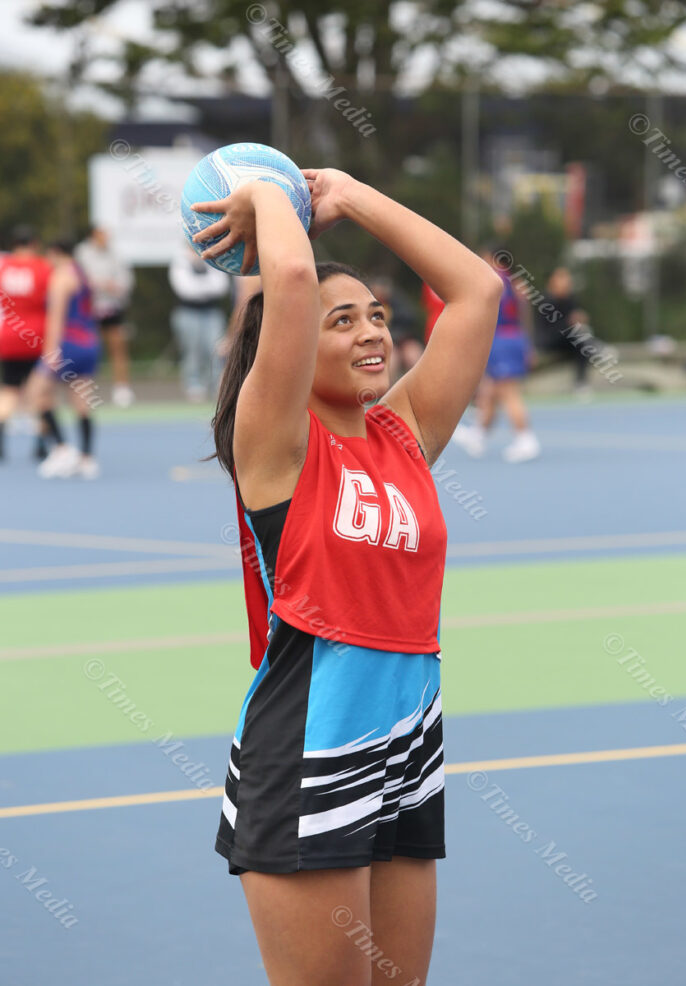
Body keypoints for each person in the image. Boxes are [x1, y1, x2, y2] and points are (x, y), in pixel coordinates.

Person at [191, 167, 502, 986]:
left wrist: (354, 195)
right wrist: (266, 194)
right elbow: (289, 280)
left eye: (378, 317)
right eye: (342, 321)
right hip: (312, 747)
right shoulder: (275, 443)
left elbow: (476, 292)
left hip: (408, 739)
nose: (372, 334)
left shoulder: (402, 434)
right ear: (292, 343)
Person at [453, 246, 541, 463]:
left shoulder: (492, 281)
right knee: (490, 390)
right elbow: (524, 314)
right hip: (512, 338)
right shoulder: (515, 282)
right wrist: (528, 345)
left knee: (508, 392)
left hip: (502, 340)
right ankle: (479, 434)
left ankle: (526, 439)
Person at [27, 240, 102, 479]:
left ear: (54, 252)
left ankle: (61, 449)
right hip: (88, 342)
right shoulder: (83, 274)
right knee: (80, 400)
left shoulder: (61, 277)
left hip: (68, 343)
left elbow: (56, 317)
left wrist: (50, 352)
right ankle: (87, 459)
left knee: (35, 392)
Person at [0, 225, 51, 461]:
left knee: (9, 390)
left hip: (9, 334)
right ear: (34, 243)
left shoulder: (4, 267)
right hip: (37, 336)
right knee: (39, 392)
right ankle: (41, 444)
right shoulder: (43, 267)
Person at [75, 226, 134, 407]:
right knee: (88, 348)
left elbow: (126, 280)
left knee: (117, 347)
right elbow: (80, 279)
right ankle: (86, 388)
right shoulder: (82, 253)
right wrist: (99, 284)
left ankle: (122, 388)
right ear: (94, 235)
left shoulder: (116, 253)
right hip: (89, 309)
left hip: (112, 306)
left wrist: (114, 286)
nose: (105, 238)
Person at [168, 247, 230, 402]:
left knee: (216, 349)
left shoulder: (212, 256)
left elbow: (221, 286)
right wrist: (207, 286)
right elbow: (186, 289)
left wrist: (200, 285)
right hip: (188, 312)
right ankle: (193, 385)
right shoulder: (180, 260)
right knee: (192, 349)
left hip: (212, 312)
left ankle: (216, 385)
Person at [535, 265, 592, 398]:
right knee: (577, 335)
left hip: (567, 339)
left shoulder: (570, 298)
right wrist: (570, 322)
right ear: (552, 281)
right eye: (562, 277)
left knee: (582, 337)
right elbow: (553, 328)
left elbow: (576, 319)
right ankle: (597, 347)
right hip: (548, 340)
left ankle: (581, 382)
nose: (566, 281)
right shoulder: (545, 300)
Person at [370, 275, 424, 379]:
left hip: (403, 339)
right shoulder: (371, 305)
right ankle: (389, 391)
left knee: (413, 356)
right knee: (391, 360)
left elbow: (410, 318)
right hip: (384, 342)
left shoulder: (396, 301)